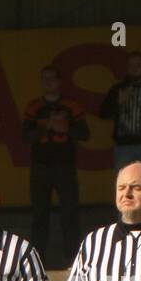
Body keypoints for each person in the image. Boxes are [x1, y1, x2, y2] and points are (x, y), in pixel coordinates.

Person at [22, 66, 89, 260]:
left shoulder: (71, 105)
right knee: (39, 215)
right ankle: (37, 260)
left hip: (65, 166)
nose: (49, 82)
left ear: (60, 82)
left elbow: (85, 134)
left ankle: (73, 260)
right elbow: (25, 137)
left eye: (52, 78)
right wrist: (47, 127)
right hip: (40, 166)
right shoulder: (34, 107)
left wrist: (65, 128)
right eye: (45, 79)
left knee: (69, 213)